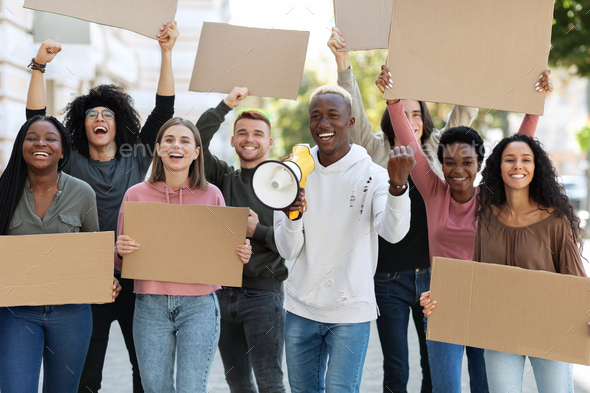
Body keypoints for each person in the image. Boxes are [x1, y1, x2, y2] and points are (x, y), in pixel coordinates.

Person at [376, 65, 553, 392]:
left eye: (467, 162)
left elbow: (522, 143)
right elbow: (408, 141)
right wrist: (393, 100)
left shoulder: (491, 197)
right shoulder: (433, 192)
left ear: (479, 165)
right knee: (445, 388)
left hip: (486, 297)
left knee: (483, 385)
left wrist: (535, 103)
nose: (458, 171)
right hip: (442, 300)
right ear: (440, 164)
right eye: (450, 162)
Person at [25, 22, 178, 393]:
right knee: (86, 375)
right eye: (92, 114)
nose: (99, 118)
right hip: (87, 278)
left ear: (118, 122)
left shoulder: (137, 153)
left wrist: (167, 52)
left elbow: (164, 109)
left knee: (146, 371)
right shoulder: (70, 159)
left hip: (137, 275)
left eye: (107, 114)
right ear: (82, 122)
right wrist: (39, 66)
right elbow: (35, 122)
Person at [328, 26, 478, 393]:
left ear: (424, 119)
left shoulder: (439, 150)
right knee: (396, 369)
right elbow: (354, 111)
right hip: (387, 278)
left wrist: (472, 56)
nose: (410, 119)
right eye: (402, 110)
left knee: (435, 363)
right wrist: (343, 62)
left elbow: (466, 106)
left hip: (432, 275)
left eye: (416, 112)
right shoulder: (373, 148)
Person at [274, 84, 415, 393]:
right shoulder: (292, 172)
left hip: (350, 312)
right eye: (316, 116)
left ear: (350, 122)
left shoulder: (375, 175)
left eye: (333, 115)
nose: (323, 124)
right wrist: (291, 215)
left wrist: (397, 188)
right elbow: (288, 249)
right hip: (301, 308)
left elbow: (393, 233)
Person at [422, 134, 587, 393]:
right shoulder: (485, 218)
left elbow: (576, 280)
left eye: (526, 160)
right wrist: (441, 300)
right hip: (499, 330)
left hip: (549, 328)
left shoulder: (555, 221)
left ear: (536, 167)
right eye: (509, 159)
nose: (517, 165)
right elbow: (478, 279)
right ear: (499, 167)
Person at [115, 117, 253, 393]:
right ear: (158, 149)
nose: (176, 146)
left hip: (199, 306)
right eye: (169, 140)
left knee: (191, 388)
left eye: (185, 141)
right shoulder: (135, 196)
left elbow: (225, 254)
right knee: (155, 387)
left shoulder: (212, 195)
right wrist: (119, 251)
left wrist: (241, 253)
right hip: (150, 305)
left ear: (196, 152)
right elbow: (120, 262)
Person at [0, 116, 121, 393]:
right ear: (21, 146)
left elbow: (92, 254)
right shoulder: (4, 192)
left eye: (50, 138)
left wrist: (105, 279)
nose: (40, 143)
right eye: (32, 137)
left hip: (71, 314)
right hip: (17, 313)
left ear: (63, 149)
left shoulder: (82, 193)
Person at [195, 86, 288, 392]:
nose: (250, 139)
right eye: (243, 133)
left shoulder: (283, 184)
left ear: (269, 142)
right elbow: (198, 139)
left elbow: (295, 243)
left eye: (258, 133)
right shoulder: (224, 177)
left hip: (264, 296)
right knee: (236, 382)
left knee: (270, 381)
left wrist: (256, 231)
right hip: (223, 295)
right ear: (233, 140)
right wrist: (225, 105)